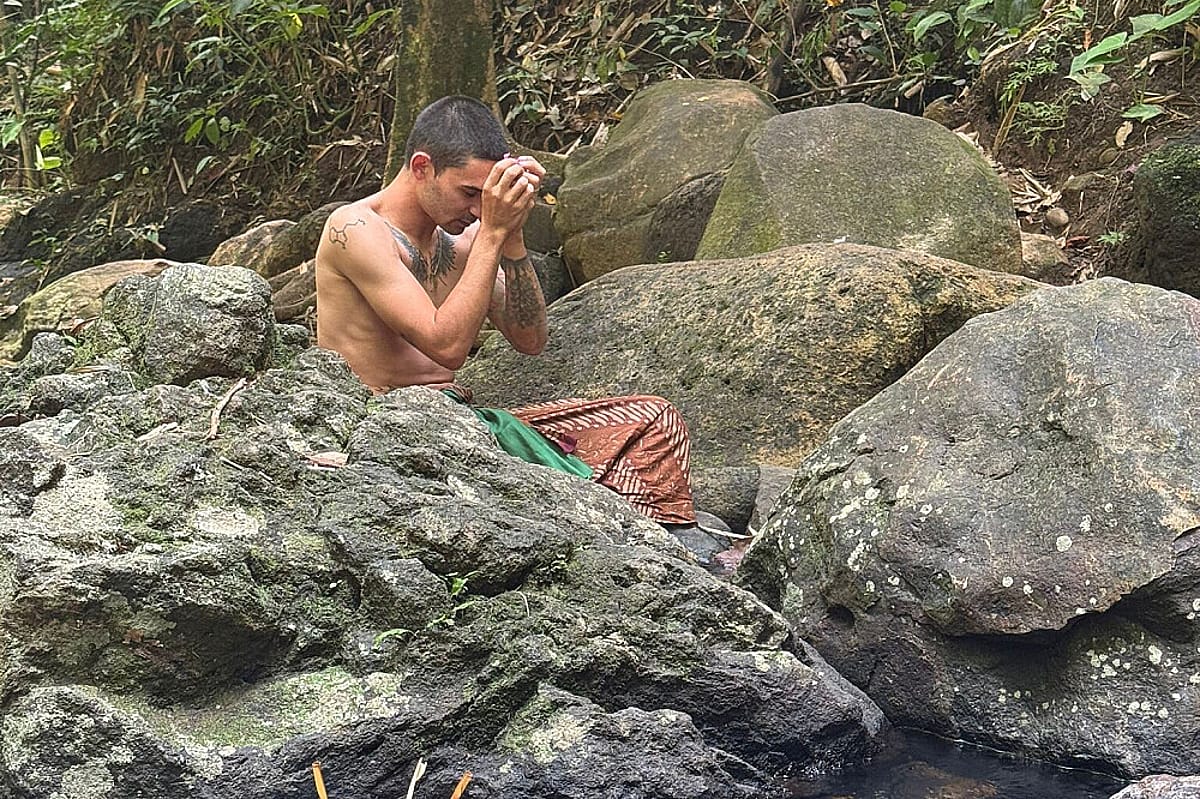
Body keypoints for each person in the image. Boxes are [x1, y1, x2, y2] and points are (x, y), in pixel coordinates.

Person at [315, 96, 696, 527]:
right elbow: (447, 346)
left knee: (653, 420)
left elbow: (529, 339)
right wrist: (493, 232)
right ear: (422, 168)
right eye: (468, 193)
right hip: (392, 426)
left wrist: (512, 236)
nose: (478, 209)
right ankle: (615, 524)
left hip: (464, 421)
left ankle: (636, 539)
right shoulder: (356, 229)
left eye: (487, 194)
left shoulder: (462, 241)